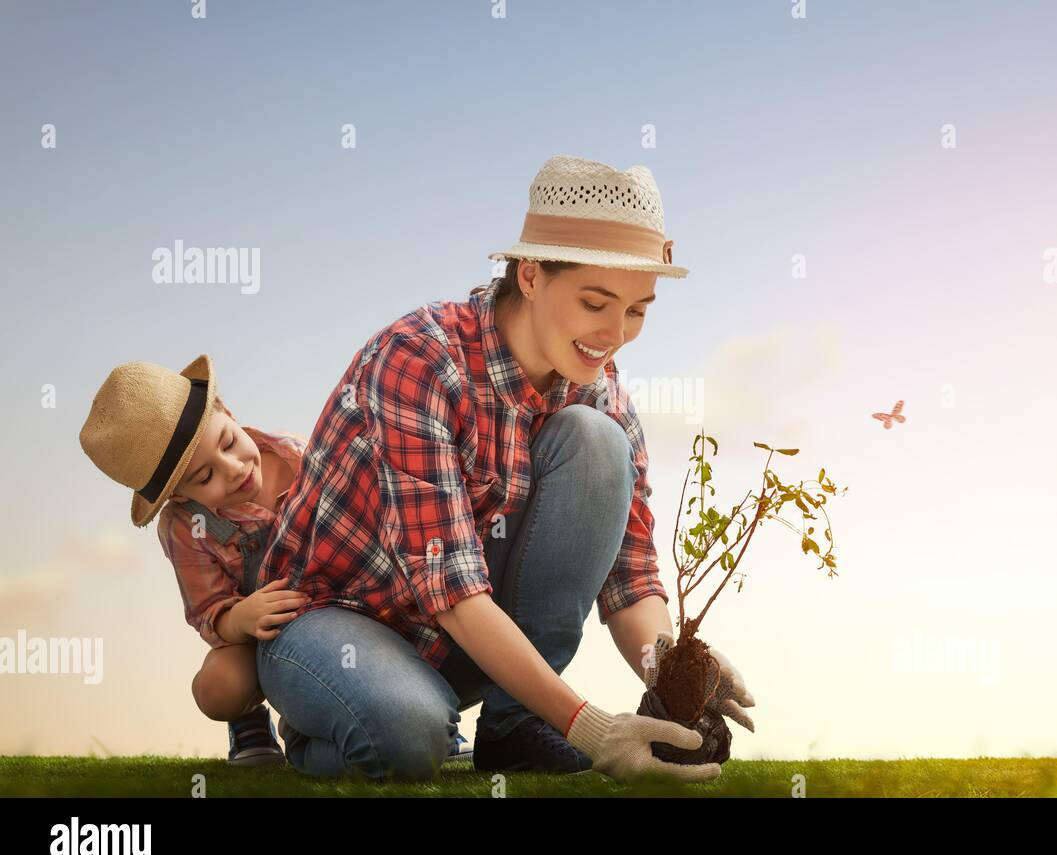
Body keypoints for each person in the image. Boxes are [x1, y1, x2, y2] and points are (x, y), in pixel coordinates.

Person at [256, 154, 755, 783]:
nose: (616, 333)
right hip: (329, 622)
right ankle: (320, 727)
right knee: (410, 739)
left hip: (456, 647)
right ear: (529, 276)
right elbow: (452, 590)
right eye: (595, 302)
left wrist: (676, 667)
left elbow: (631, 576)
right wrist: (593, 728)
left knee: (599, 442)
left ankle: (516, 725)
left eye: (637, 310)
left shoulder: (604, 397)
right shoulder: (419, 359)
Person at [76, 356, 475, 765]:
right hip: (263, 632)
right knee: (220, 686)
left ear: (227, 412)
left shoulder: (300, 455)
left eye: (228, 443)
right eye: (204, 477)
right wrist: (242, 619)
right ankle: (249, 719)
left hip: (351, 608)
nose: (233, 470)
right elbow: (208, 613)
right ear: (179, 496)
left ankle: (411, 708)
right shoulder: (186, 528)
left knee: (395, 626)